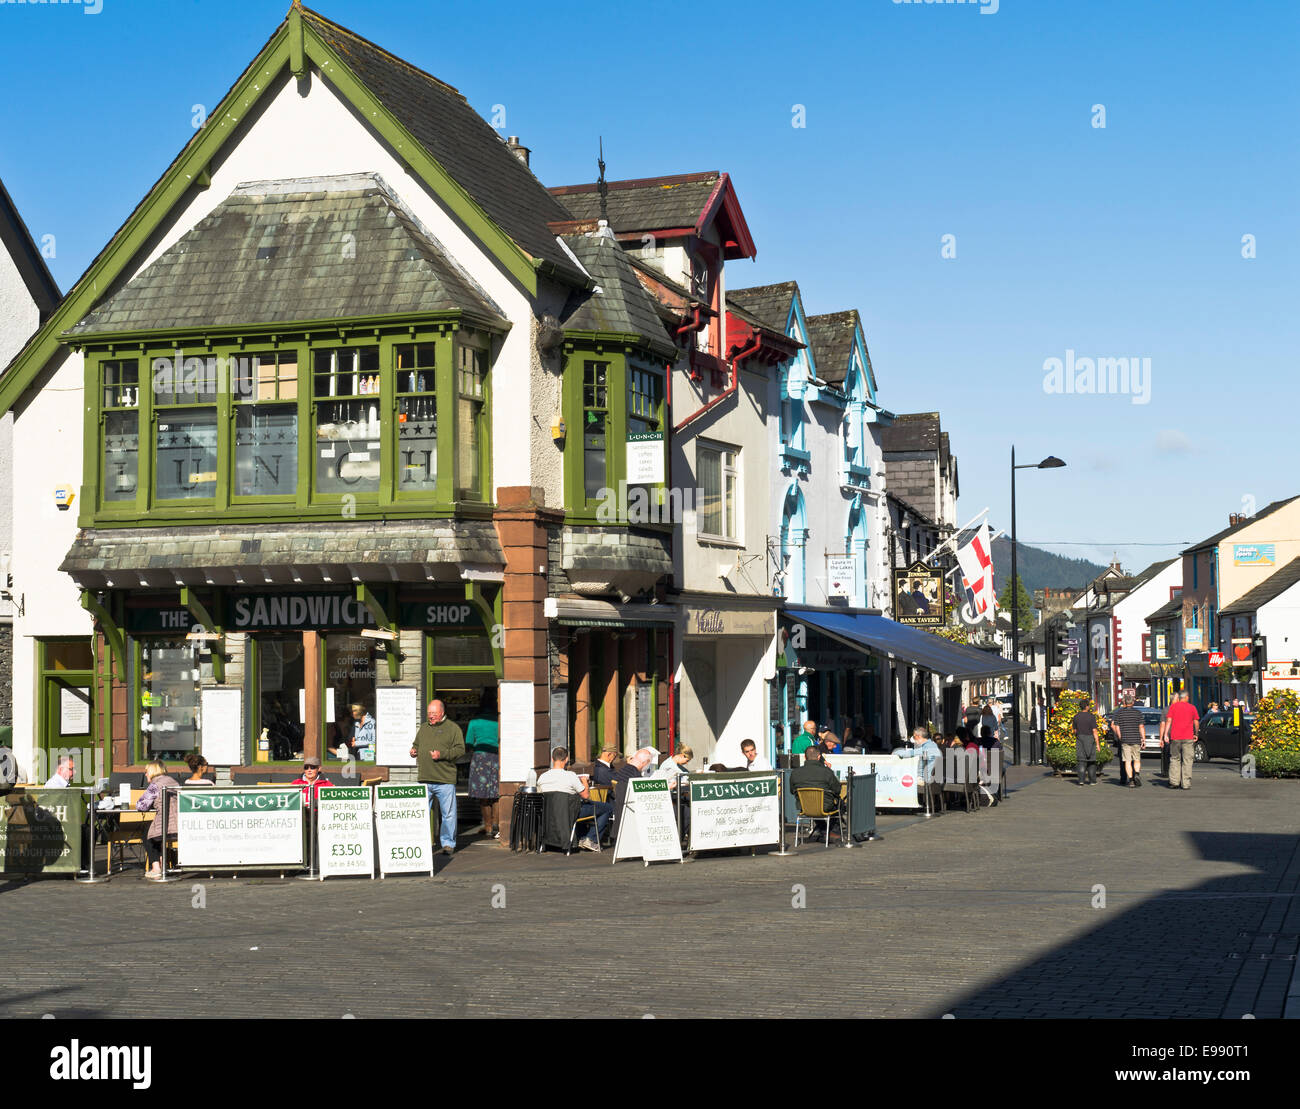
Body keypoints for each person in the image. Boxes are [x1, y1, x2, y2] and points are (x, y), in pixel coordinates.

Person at [409, 699, 465, 855]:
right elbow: (417, 744)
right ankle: (421, 844)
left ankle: (448, 844)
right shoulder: (424, 728)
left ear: (442, 712)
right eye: (429, 713)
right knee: (421, 813)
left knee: (448, 814)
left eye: (434, 713)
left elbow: (460, 750)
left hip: (444, 780)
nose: (431, 716)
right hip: (425, 778)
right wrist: (414, 750)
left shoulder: (453, 728)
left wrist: (442, 755)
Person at [539, 746, 610, 851]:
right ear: (566, 759)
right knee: (606, 807)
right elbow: (585, 795)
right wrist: (585, 782)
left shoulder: (542, 777)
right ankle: (590, 838)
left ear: (552, 759)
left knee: (579, 805)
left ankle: (581, 837)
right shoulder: (570, 776)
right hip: (569, 812)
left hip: (548, 814)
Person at [136, 761, 180, 880]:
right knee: (153, 832)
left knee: (147, 834)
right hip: (181, 825)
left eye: (146, 772)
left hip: (167, 825)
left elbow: (141, 806)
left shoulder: (155, 785)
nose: (145, 775)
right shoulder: (173, 781)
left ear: (152, 771)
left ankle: (156, 868)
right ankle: (162, 862)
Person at [465, 693, 501, 840]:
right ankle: (497, 824)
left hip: (480, 759)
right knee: (496, 794)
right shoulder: (499, 721)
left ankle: (487, 827)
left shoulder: (474, 722)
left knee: (483, 795)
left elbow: (468, 743)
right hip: (497, 758)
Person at [788, 747, 842, 823]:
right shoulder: (826, 772)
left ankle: (822, 829)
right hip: (824, 806)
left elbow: (792, 791)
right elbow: (837, 790)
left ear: (805, 757)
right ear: (819, 757)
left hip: (804, 807)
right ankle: (829, 830)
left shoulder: (795, 773)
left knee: (817, 804)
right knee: (841, 805)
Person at [1162, 691, 1200, 791]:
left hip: (1175, 737)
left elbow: (1168, 721)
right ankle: (1186, 783)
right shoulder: (1192, 708)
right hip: (1188, 737)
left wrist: (1166, 734)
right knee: (1187, 760)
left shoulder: (1173, 707)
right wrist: (1196, 734)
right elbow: (1196, 722)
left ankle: (1174, 782)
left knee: (1175, 759)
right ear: (1186, 697)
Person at [1111, 693, 1145, 789]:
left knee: (1127, 761)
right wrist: (1143, 739)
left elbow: (1116, 726)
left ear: (1124, 702)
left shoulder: (1120, 713)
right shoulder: (1138, 713)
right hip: (1136, 739)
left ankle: (1130, 780)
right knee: (1137, 759)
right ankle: (1137, 773)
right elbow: (1141, 726)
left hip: (1125, 739)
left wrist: (1120, 737)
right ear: (1133, 702)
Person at [1073, 701, 1100, 786]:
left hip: (1080, 739)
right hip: (1090, 739)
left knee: (1081, 761)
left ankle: (1081, 780)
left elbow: (1074, 730)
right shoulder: (1091, 717)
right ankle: (1092, 781)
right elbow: (1094, 731)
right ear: (1087, 706)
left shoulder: (1076, 716)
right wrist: (1098, 744)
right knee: (1091, 761)